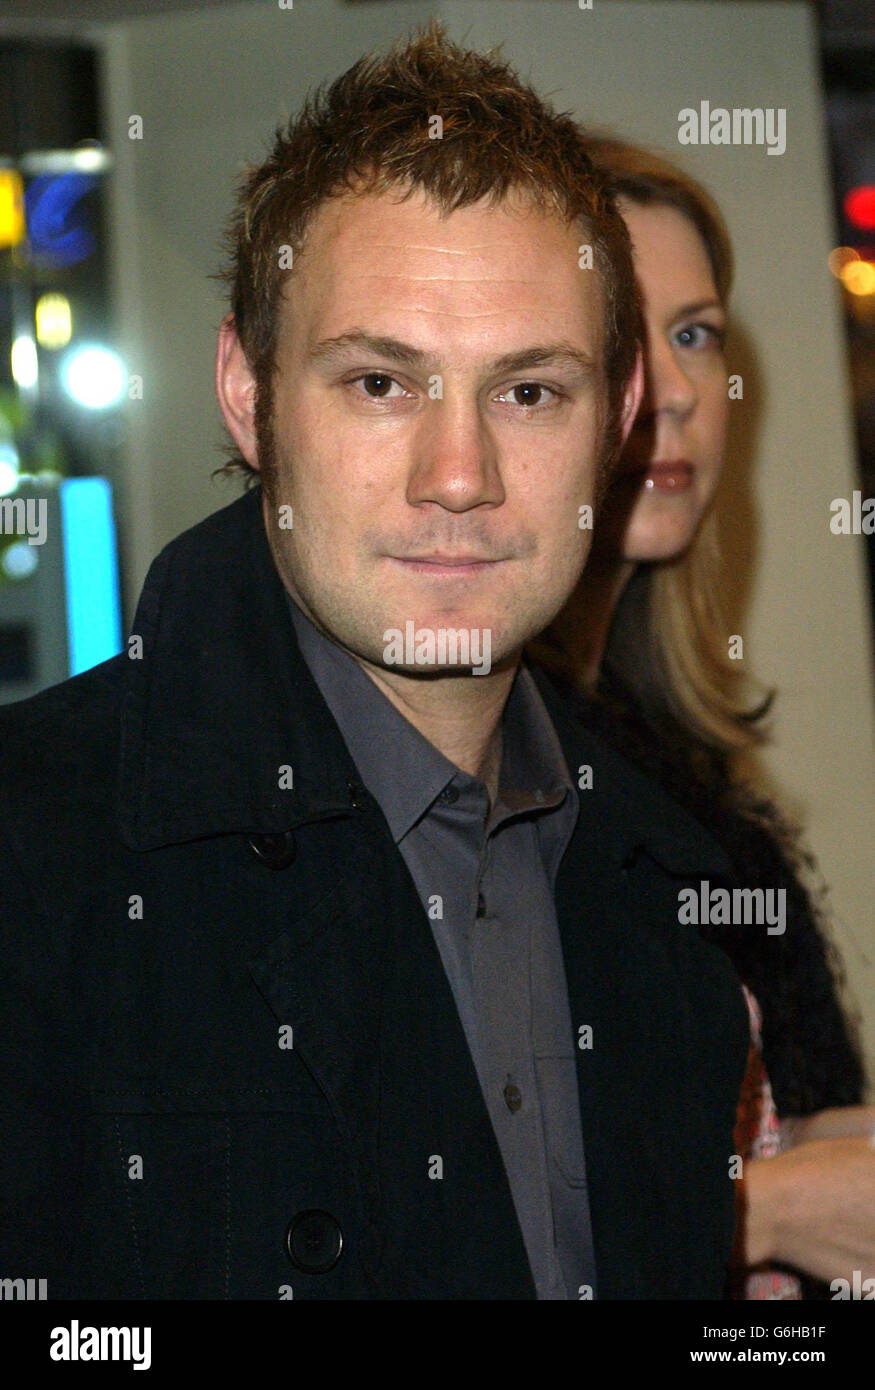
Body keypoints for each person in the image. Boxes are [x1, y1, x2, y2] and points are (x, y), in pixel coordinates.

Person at [0, 23, 752, 1300]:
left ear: (619, 415)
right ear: (247, 391)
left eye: (527, 393)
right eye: (379, 385)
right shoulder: (33, 857)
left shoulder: (664, 903)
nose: (455, 478)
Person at [530, 137, 872, 1299]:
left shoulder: (666, 743)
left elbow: (813, 1095)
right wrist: (752, 1209)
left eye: (694, 333)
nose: (672, 392)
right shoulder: (473, 736)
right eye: (624, 335)